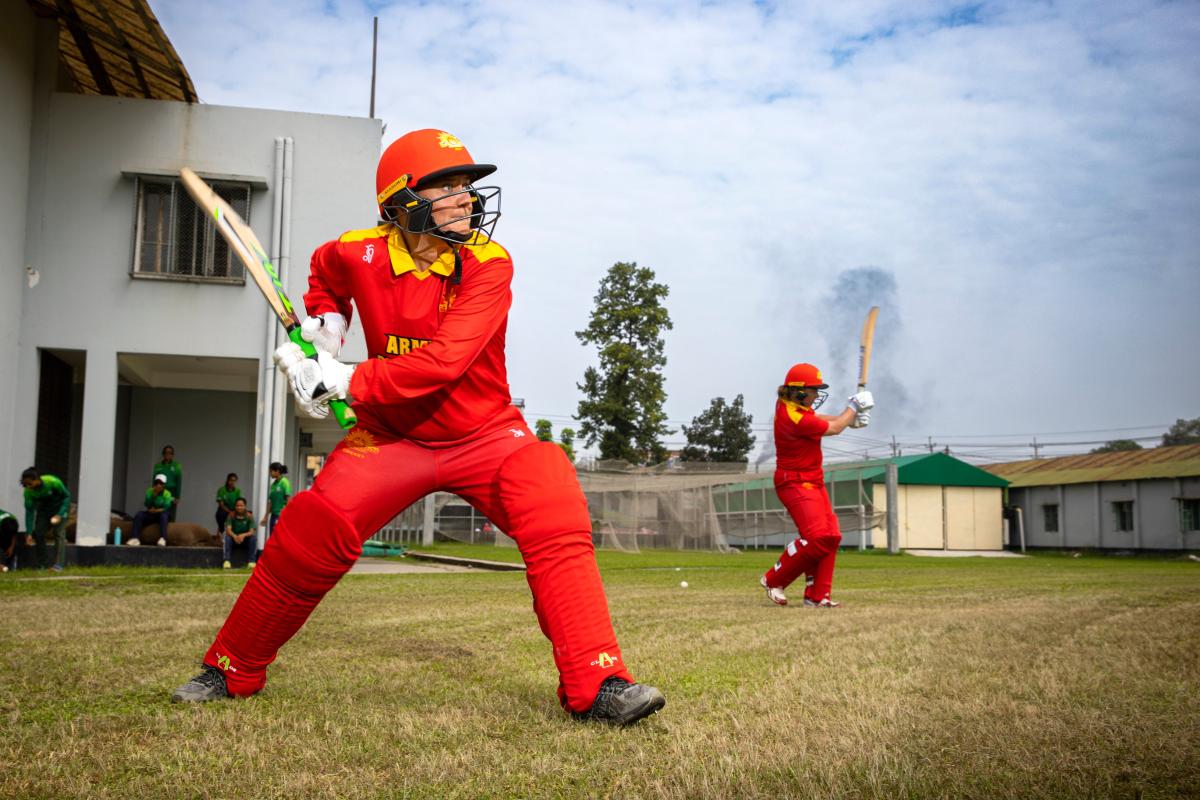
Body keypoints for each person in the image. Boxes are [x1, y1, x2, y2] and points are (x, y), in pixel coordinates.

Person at [173, 128, 665, 726]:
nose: (468, 199)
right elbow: (326, 270)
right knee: (312, 524)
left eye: (469, 188)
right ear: (403, 199)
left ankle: (601, 683)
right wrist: (327, 327)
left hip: (484, 433)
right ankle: (230, 667)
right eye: (450, 187)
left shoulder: (489, 264)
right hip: (390, 437)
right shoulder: (356, 251)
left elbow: (442, 365)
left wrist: (344, 378)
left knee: (549, 487)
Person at [760, 363, 874, 608]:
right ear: (800, 391)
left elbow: (821, 419)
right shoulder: (792, 416)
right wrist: (852, 408)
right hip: (794, 482)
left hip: (812, 480)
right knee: (817, 537)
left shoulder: (791, 405)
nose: (816, 395)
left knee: (831, 536)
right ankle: (773, 579)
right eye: (813, 390)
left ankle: (817, 596)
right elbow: (832, 428)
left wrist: (851, 419)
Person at [20, 467, 71, 572]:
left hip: (60, 508)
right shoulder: (28, 493)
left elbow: (66, 496)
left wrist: (60, 514)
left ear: (37, 479)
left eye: (29, 484)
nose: (28, 487)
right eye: (25, 485)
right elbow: (29, 512)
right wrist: (29, 532)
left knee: (58, 534)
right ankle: (43, 564)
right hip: (43, 512)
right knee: (38, 534)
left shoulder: (52, 482)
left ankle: (58, 565)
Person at [129, 474, 173, 547]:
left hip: (161, 513)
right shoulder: (149, 491)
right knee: (139, 514)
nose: (158, 485)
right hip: (151, 513)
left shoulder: (167, 493)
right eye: (156, 482)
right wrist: (153, 496)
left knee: (164, 515)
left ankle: (163, 538)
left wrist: (156, 510)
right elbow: (147, 503)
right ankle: (135, 538)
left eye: (161, 483)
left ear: (164, 485)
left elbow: (166, 507)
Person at [259, 463, 290, 547]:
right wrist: (265, 517)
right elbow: (270, 502)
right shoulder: (273, 485)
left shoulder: (285, 482)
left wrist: (287, 515)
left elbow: (288, 499)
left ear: (277, 471)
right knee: (272, 537)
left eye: (271, 471)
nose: (270, 473)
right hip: (274, 515)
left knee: (280, 538)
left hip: (281, 515)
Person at [222, 498, 256, 569]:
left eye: (241, 505)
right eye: (237, 506)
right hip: (234, 540)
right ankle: (227, 561)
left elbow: (252, 531)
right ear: (235, 506)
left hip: (244, 541)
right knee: (227, 537)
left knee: (253, 538)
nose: (239, 507)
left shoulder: (249, 516)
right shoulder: (231, 515)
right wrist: (235, 536)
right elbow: (228, 529)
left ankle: (251, 562)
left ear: (245, 506)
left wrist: (243, 535)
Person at [153, 445, 182, 522]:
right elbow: (154, 480)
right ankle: (160, 533)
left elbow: (179, 481)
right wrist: (153, 492)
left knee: (171, 516)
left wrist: (177, 497)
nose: (168, 454)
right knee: (159, 514)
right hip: (160, 492)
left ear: (172, 455)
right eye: (166, 452)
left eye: (170, 453)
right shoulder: (158, 466)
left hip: (172, 493)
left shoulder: (177, 466)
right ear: (163, 454)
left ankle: (169, 533)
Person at [215, 473, 242, 537]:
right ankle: (222, 531)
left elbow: (239, 502)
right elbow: (221, 504)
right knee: (219, 515)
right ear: (227, 480)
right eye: (231, 480)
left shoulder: (238, 491)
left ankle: (238, 535)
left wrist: (236, 510)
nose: (232, 482)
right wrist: (230, 512)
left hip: (235, 509)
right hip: (224, 509)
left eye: (234, 481)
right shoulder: (222, 490)